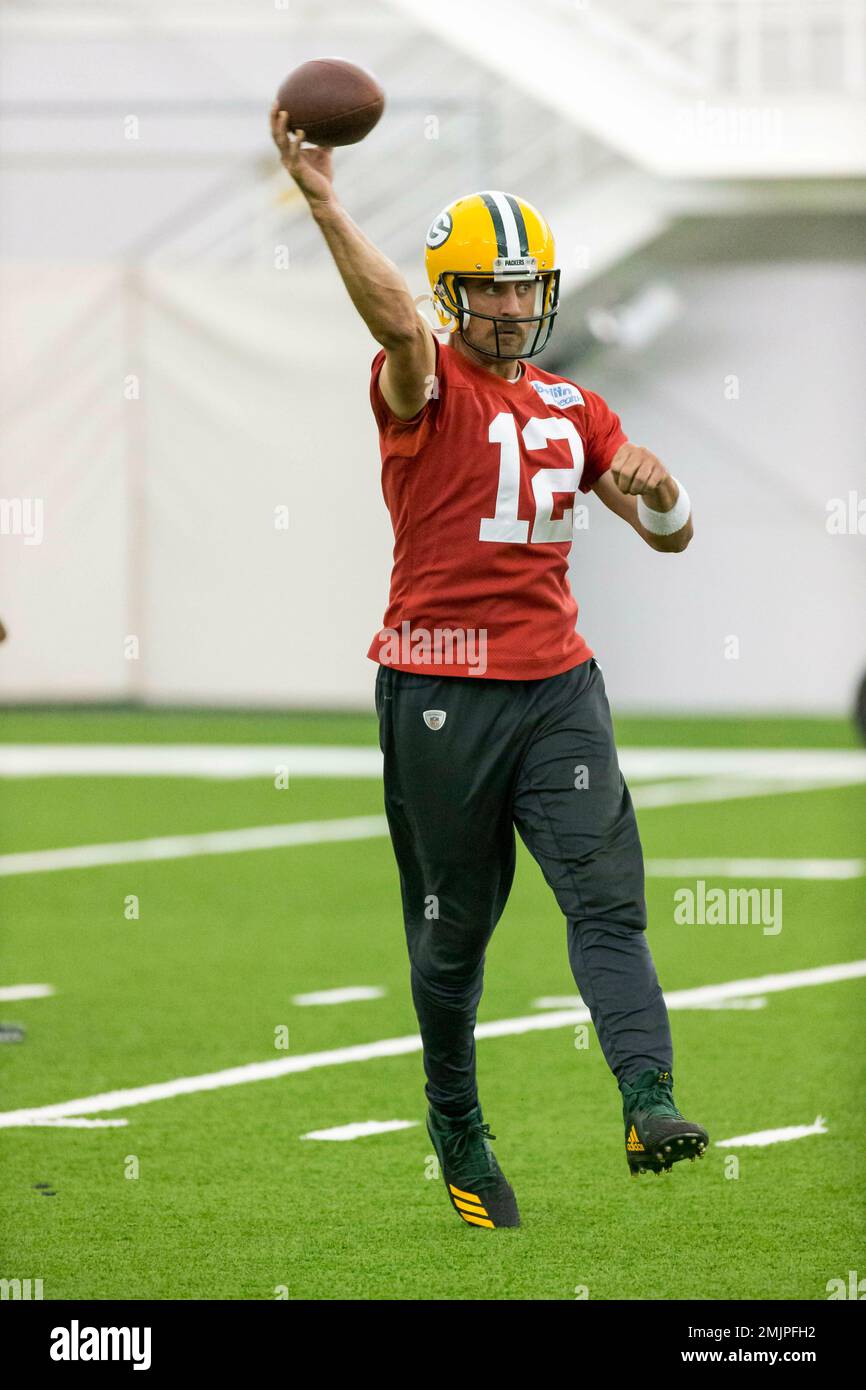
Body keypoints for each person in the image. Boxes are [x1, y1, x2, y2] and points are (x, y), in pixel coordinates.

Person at [271, 107, 708, 1230]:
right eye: (492, 288)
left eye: (526, 286)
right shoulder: (422, 379)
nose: (513, 306)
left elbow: (667, 538)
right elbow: (398, 329)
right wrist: (324, 201)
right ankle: (456, 1121)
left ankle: (647, 1099)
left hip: (557, 683)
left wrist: (661, 495)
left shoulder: (576, 405)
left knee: (605, 903)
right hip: (439, 684)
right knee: (453, 931)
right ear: (452, 292)